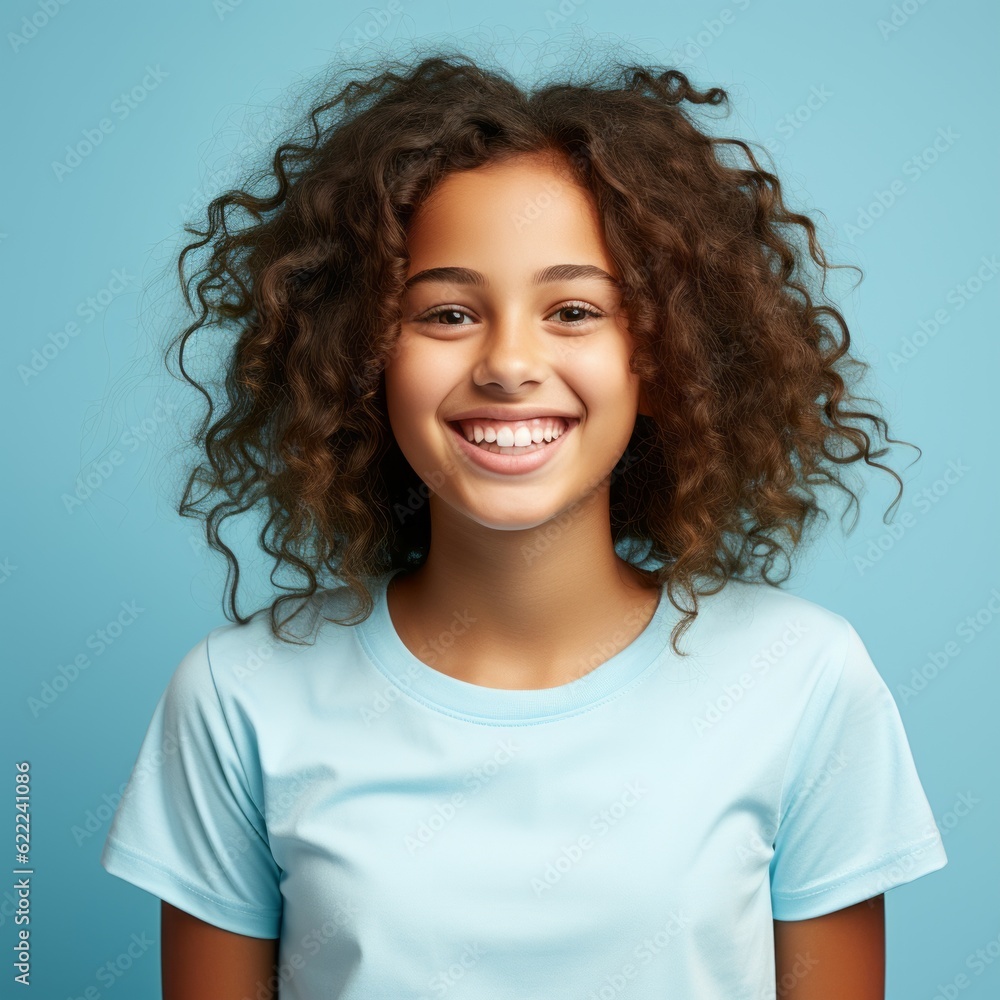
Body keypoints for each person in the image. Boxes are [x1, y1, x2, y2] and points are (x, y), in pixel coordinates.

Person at [101, 46, 947, 1000]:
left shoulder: (803, 682)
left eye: (575, 310)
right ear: (358, 359)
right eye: (449, 313)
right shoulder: (237, 699)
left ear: (664, 357)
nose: (509, 362)